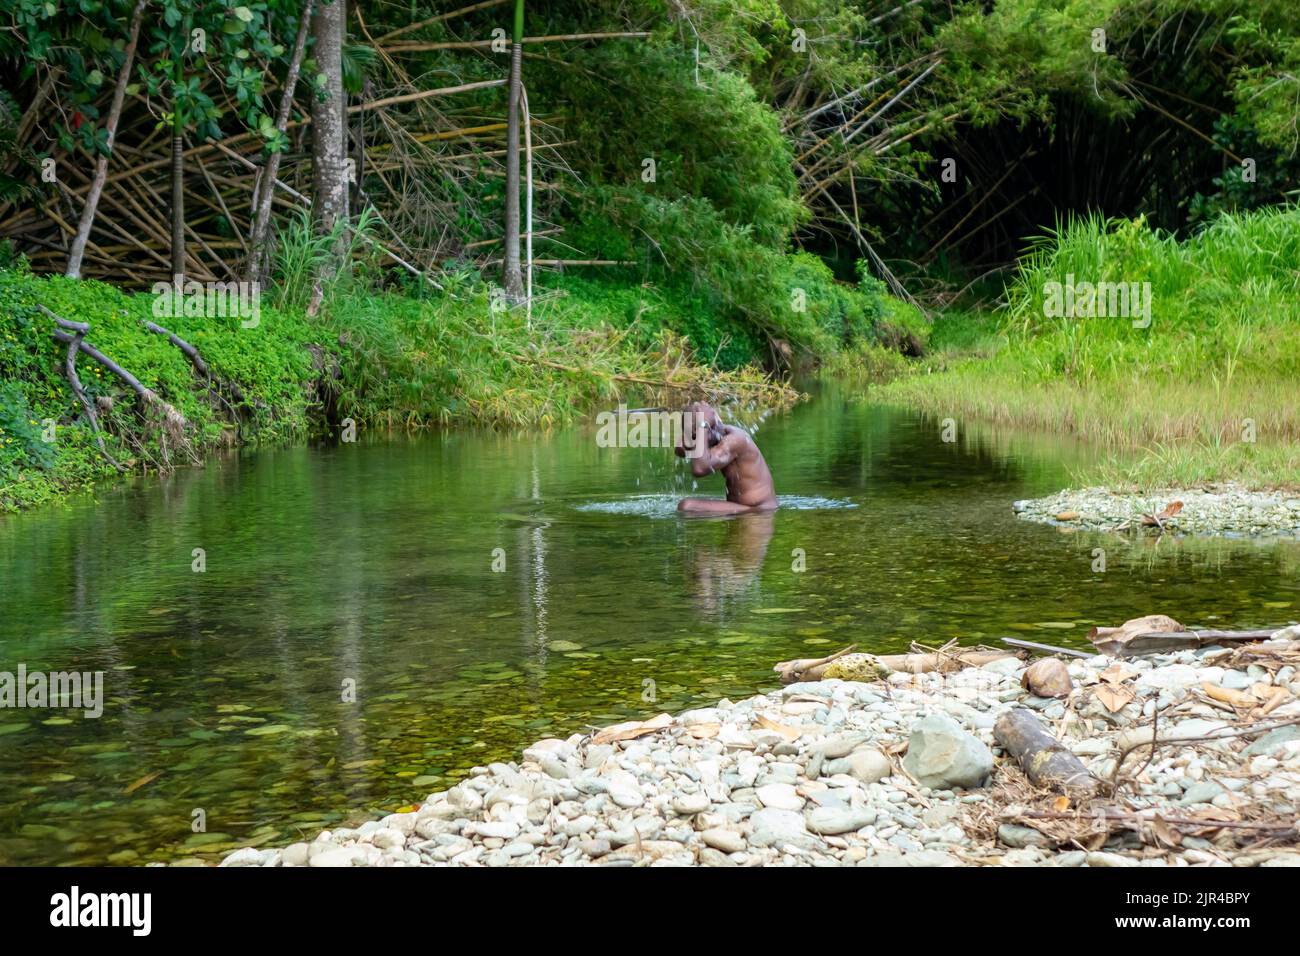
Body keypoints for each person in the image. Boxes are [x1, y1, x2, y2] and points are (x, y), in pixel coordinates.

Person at [674, 402, 778, 514]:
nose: (700, 438)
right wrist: (698, 430)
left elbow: (699, 469)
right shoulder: (714, 435)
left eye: (702, 432)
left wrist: (702, 425)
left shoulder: (735, 439)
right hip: (745, 507)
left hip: (759, 509)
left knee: (686, 506)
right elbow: (680, 448)